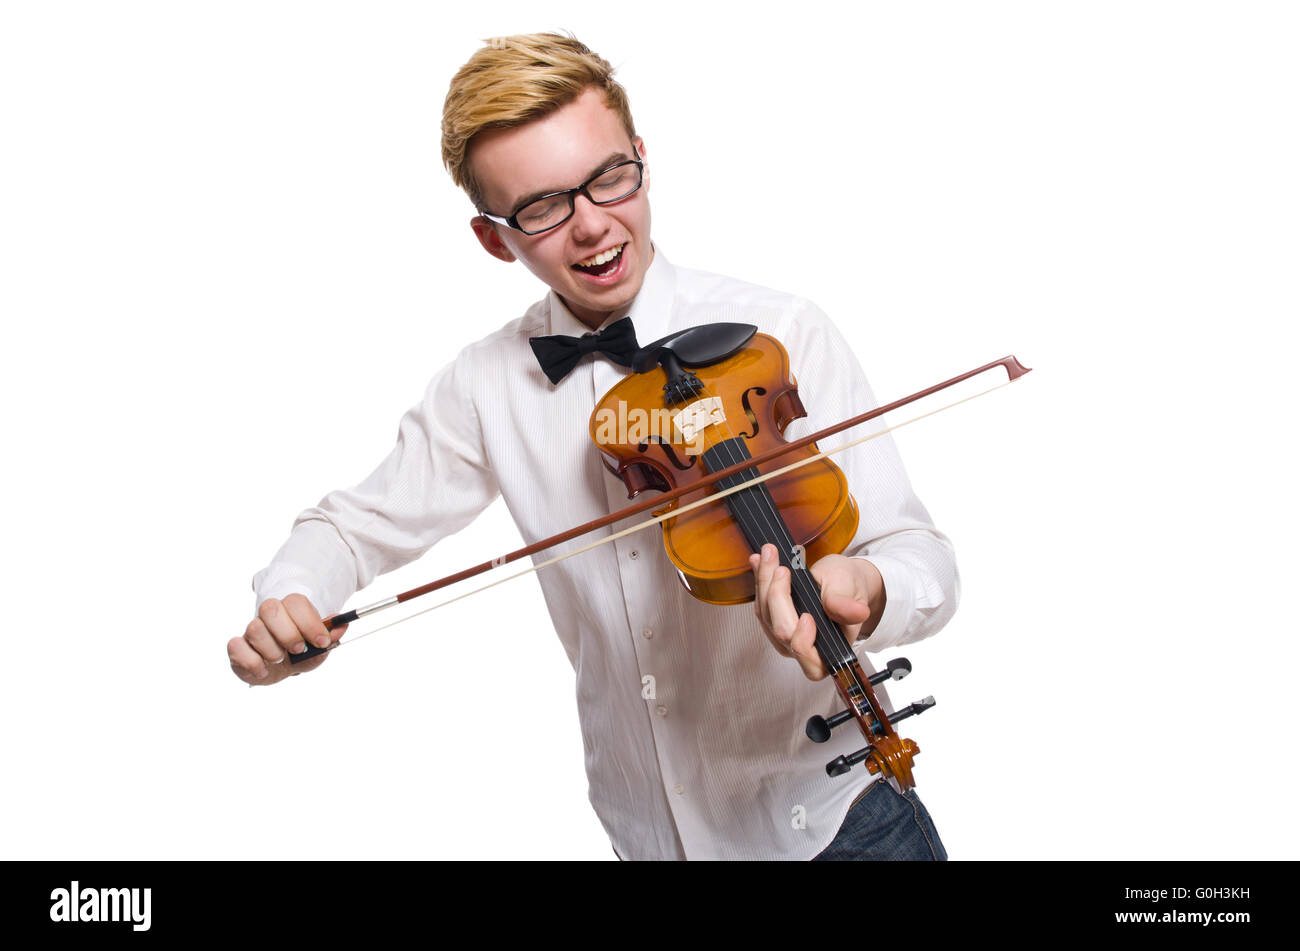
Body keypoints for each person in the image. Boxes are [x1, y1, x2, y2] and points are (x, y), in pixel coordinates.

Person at [228, 32, 958, 861]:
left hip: (838, 827)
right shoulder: (486, 386)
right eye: (541, 208)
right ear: (494, 237)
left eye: (610, 177)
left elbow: (922, 557)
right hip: (646, 840)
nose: (592, 226)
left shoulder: (782, 336)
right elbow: (350, 526)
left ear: (642, 156)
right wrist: (292, 591)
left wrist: (863, 581)